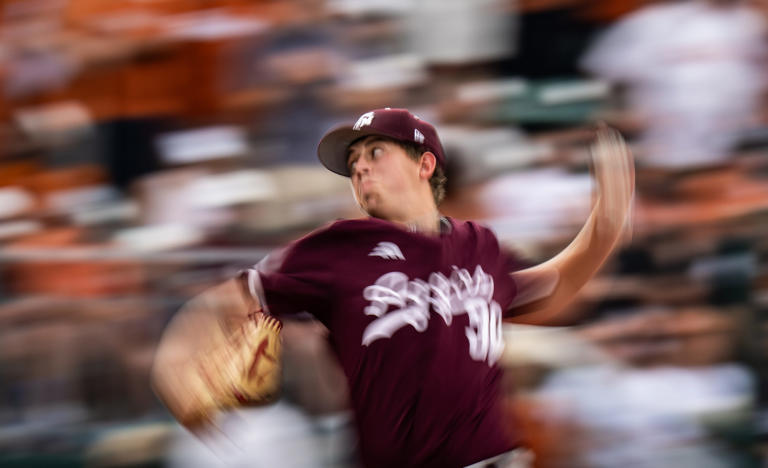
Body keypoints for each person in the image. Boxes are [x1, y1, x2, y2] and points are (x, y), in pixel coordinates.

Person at [151, 108, 635, 468]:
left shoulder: (480, 244)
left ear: (425, 165)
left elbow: (551, 288)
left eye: (375, 153)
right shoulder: (335, 249)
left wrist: (603, 230)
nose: (359, 168)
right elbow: (224, 301)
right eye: (354, 161)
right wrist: (173, 369)